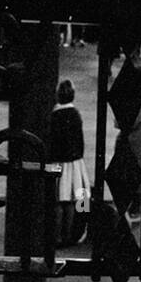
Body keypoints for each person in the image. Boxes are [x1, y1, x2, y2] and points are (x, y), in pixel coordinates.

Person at [47, 79, 90, 247]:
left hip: (59, 162)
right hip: (75, 163)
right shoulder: (76, 115)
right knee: (77, 197)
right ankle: (74, 234)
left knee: (59, 200)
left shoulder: (54, 115)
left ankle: (56, 237)